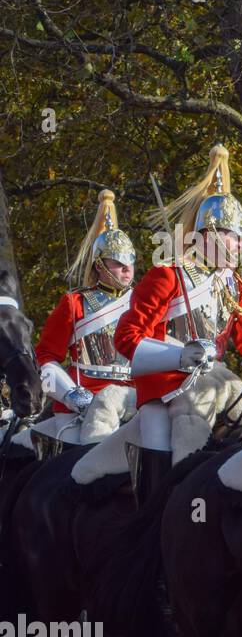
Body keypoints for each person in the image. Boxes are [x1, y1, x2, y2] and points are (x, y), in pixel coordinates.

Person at [114, 145, 242, 504]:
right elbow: (127, 337)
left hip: (219, 382)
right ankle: (173, 506)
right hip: (168, 388)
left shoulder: (234, 285)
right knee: (179, 434)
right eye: (234, 236)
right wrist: (181, 356)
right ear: (208, 233)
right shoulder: (168, 275)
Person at [32, 189, 137, 454]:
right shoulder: (74, 303)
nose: (127, 269)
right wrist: (70, 395)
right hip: (83, 400)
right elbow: (44, 359)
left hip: (132, 399)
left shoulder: (143, 303)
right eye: (117, 263)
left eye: (130, 262)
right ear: (99, 265)